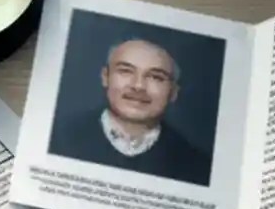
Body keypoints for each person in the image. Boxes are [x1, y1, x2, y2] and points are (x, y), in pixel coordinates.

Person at [48, 38, 212, 185]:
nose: (138, 86)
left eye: (156, 77)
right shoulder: (56, 137)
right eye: (126, 71)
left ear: (173, 92)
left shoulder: (198, 167)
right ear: (106, 77)